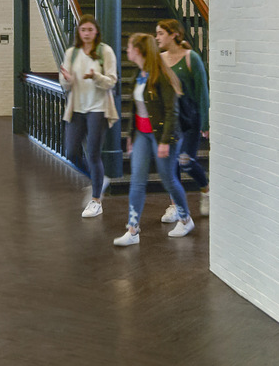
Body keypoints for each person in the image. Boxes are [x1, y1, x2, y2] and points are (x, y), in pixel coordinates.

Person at [116, 33, 196, 246]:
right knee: (137, 180)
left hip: (163, 135)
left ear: (139, 50)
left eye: (130, 47)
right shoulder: (138, 74)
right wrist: (131, 135)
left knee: (168, 178)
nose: (127, 50)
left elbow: (172, 111)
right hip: (142, 133)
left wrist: (165, 141)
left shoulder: (161, 76)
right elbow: (136, 109)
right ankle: (133, 230)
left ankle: (185, 219)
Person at [62, 17, 118, 214]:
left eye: (90, 30)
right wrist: (67, 79)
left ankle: (96, 200)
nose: (86, 33)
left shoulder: (105, 51)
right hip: (77, 108)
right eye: (83, 29)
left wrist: (96, 76)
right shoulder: (72, 53)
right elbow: (65, 83)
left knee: (93, 153)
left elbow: (111, 81)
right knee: (71, 152)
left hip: (98, 108)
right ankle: (98, 179)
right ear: (79, 32)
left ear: (96, 32)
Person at [154, 20, 209, 218]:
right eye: (156, 34)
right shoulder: (159, 59)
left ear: (174, 34)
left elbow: (202, 92)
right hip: (170, 120)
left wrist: (206, 123)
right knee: (171, 165)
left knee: (185, 161)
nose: (157, 38)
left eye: (161, 33)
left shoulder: (191, 58)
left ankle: (205, 189)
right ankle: (176, 205)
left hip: (190, 119)